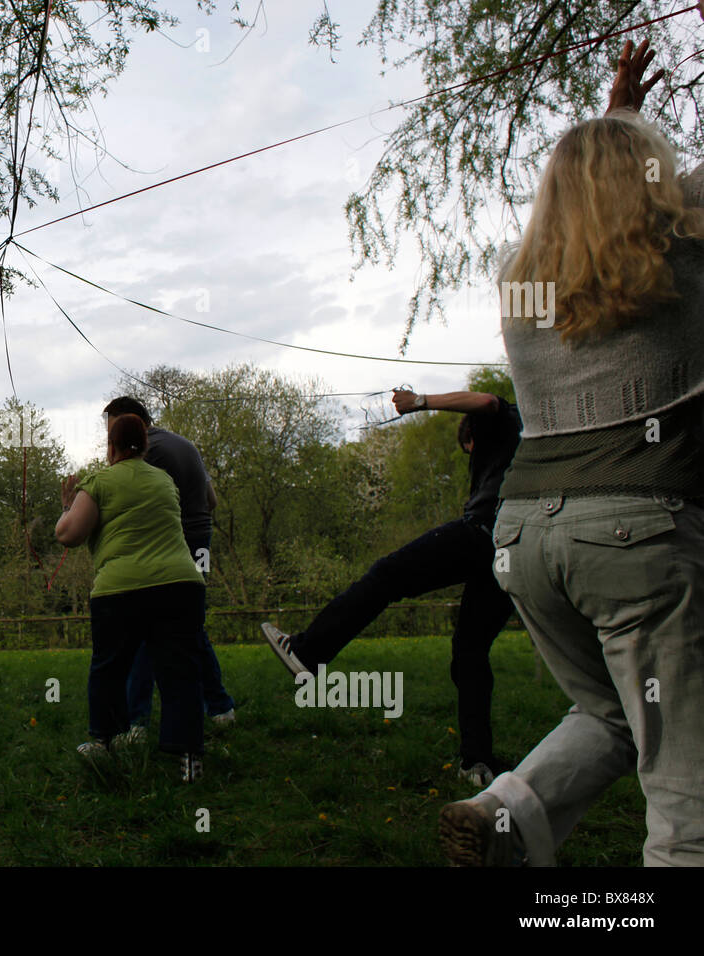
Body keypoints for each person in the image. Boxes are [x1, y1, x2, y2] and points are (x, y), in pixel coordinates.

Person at [440, 40, 704, 867]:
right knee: (689, 784)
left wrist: (611, 117)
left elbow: (589, 209)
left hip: (524, 536)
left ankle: (505, 815)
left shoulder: (522, 287)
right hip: (636, 531)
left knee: (611, 714)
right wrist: (628, 126)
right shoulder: (680, 255)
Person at [265, 387, 521, 785]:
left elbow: (486, 402)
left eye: (468, 449)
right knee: (470, 651)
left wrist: (420, 402)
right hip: (516, 550)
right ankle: (478, 762)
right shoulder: (534, 432)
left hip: (484, 532)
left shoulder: (500, 419)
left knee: (387, 575)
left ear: (471, 438)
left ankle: (308, 651)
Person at [56, 413, 207, 782]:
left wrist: (67, 504)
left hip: (121, 589)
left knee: (109, 667)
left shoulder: (100, 482)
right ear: (146, 444)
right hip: (181, 584)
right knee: (181, 670)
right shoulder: (165, 481)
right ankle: (188, 756)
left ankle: (105, 742)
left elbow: (69, 535)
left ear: (111, 446)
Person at [101, 397, 235, 735]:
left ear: (129, 423)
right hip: (200, 539)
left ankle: (136, 720)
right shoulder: (184, 443)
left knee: (148, 626)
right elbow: (212, 500)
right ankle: (220, 707)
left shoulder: (150, 451)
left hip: (172, 543)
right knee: (191, 624)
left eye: (112, 430)